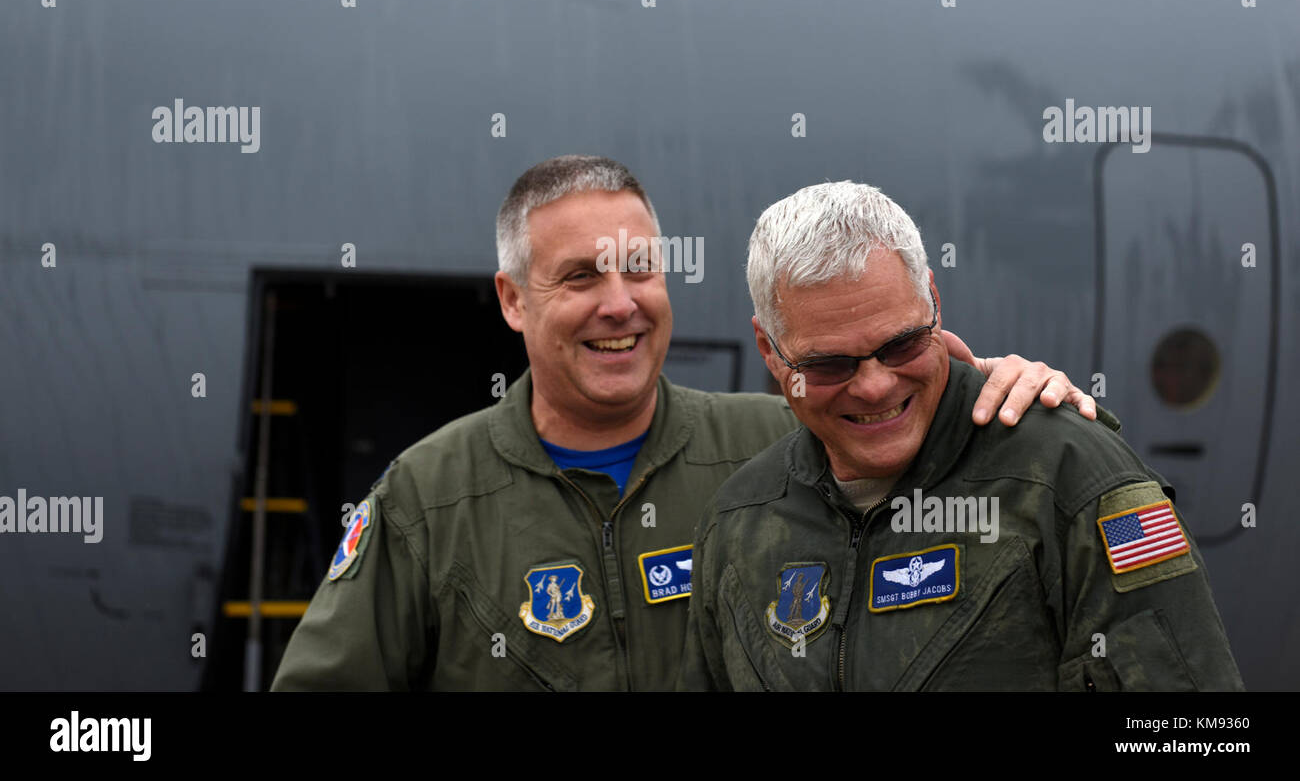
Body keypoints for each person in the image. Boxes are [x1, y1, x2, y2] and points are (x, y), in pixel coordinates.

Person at [271, 157, 1101, 691]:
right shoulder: (430, 500)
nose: (620, 304)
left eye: (641, 270)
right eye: (581, 277)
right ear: (513, 299)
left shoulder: (784, 449)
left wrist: (1014, 397)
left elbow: (921, 424)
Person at [678, 181, 1244, 691]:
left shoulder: (1072, 480)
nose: (874, 386)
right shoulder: (739, 522)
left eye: (901, 344)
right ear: (769, 351)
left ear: (934, 302)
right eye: (829, 364)